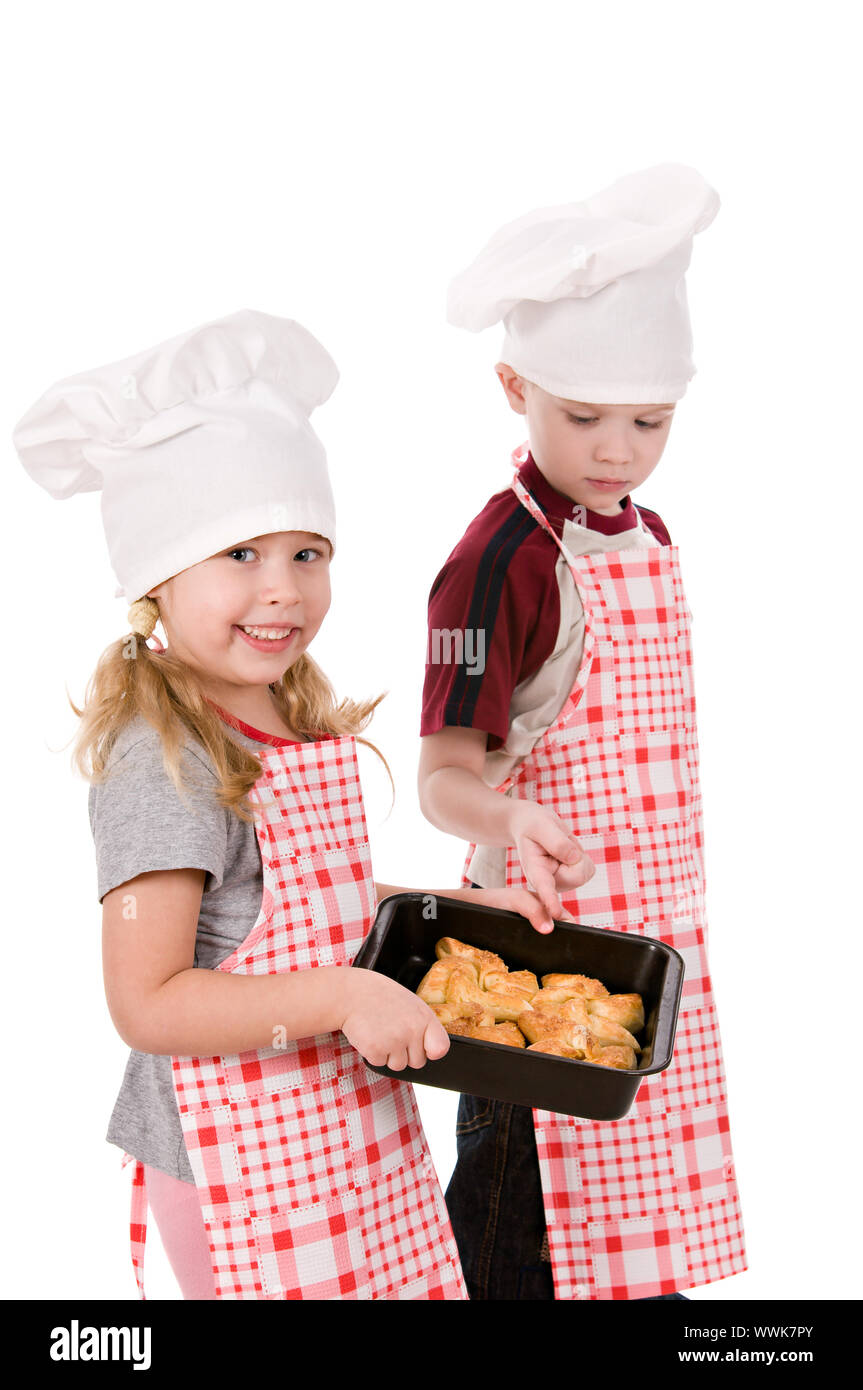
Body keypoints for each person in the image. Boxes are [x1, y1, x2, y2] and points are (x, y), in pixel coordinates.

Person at [12, 309, 555, 1301]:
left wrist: (466, 913)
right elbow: (147, 1002)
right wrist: (346, 996)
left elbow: (305, 902)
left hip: (336, 1123)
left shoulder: (285, 712)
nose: (284, 591)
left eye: (307, 553)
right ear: (156, 575)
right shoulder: (163, 759)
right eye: (239, 554)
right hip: (232, 1162)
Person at [418, 165, 748, 1301]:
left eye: (648, 421)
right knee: (518, 1236)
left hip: (650, 948)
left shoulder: (645, 535)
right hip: (539, 957)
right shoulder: (495, 563)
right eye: (583, 416)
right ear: (514, 385)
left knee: (643, 1243)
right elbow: (443, 777)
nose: (617, 450)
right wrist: (510, 815)